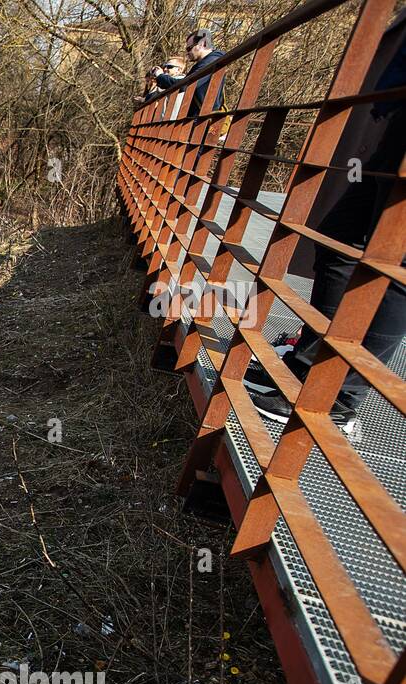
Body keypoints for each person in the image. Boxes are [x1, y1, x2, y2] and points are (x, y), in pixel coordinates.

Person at [245, 25, 406, 436]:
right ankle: (310, 369)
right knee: (339, 238)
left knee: (397, 265)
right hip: (395, 115)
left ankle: (340, 399)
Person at [151, 29, 225, 117]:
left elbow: (184, 85)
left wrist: (160, 76)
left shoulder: (211, 62)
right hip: (201, 117)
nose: (187, 52)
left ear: (202, 44)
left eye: (189, 48)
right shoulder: (208, 62)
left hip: (204, 119)